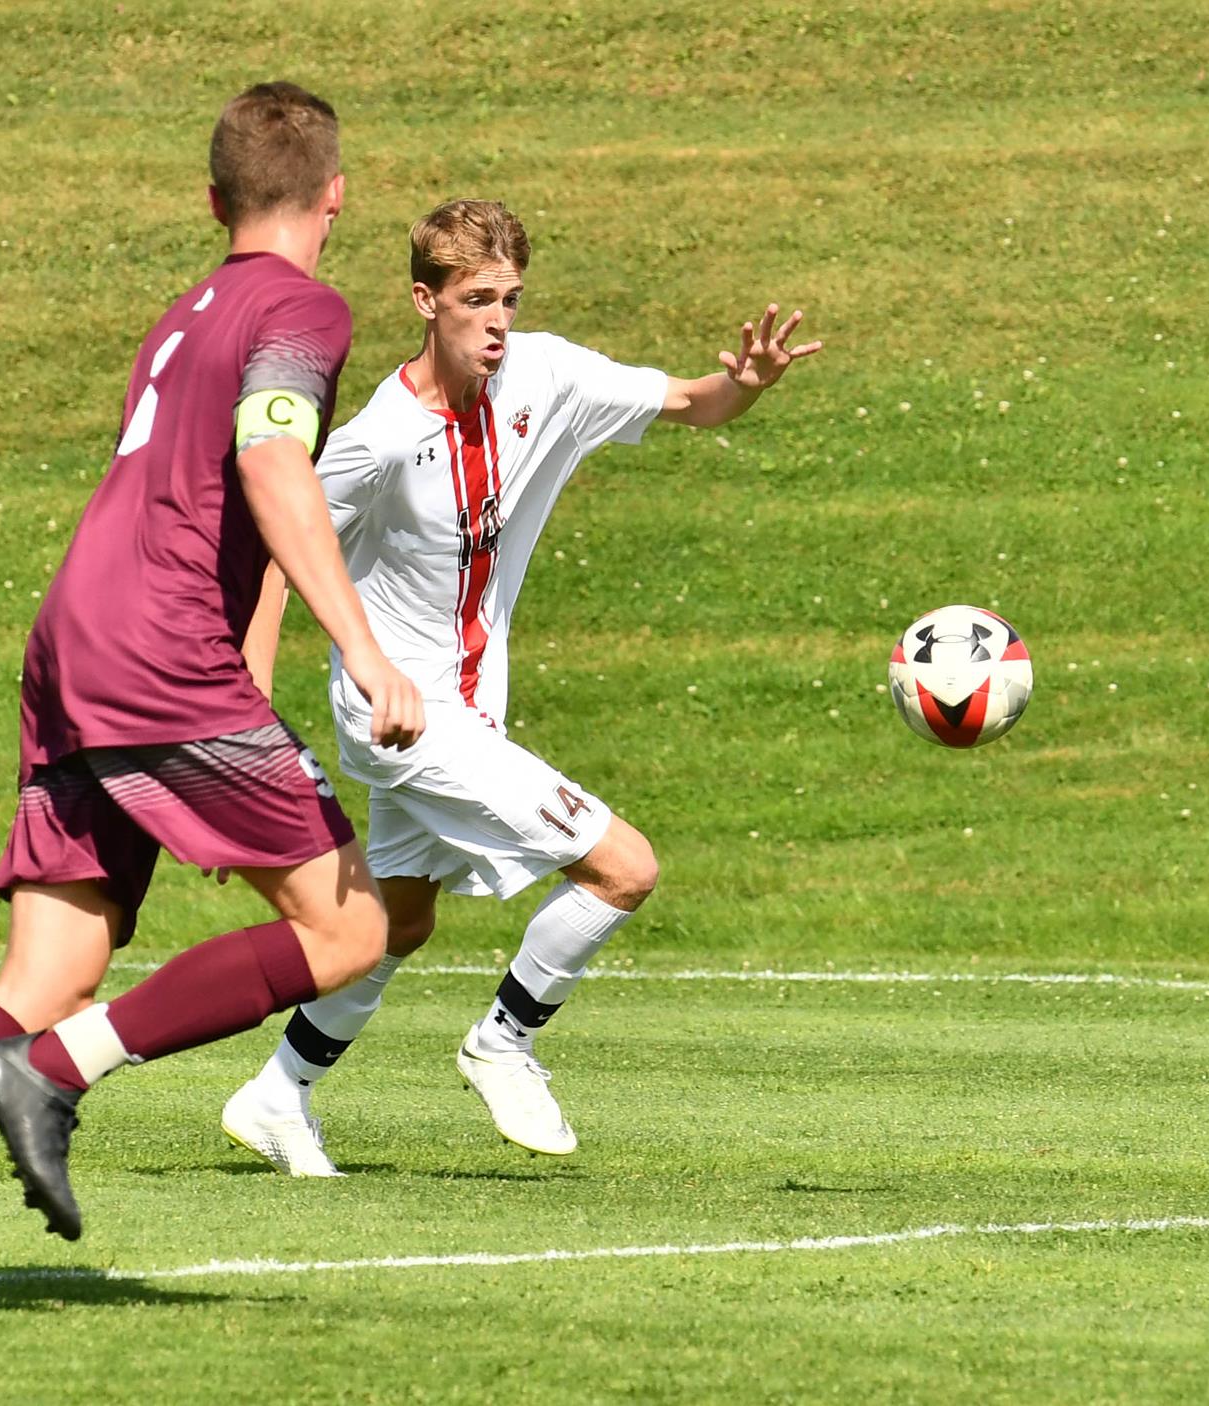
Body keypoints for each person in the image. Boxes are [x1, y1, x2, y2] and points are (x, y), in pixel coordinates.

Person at [0, 81, 425, 1314]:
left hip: (74, 636)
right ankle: (57, 1073)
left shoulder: (188, 310)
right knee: (349, 930)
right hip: (158, 647)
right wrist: (363, 648)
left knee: (48, 969)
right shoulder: (304, 307)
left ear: (213, 199)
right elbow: (272, 460)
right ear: (335, 193)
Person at [218, 198, 818, 1175]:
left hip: (469, 708)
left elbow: (692, 403)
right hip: (397, 714)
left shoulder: (547, 374)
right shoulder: (379, 436)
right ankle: (502, 1039)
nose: (497, 320)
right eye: (474, 299)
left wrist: (740, 383)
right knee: (624, 866)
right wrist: (249, 674)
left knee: (395, 921)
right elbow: (284, 537)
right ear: (425, 300)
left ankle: (276, 1092)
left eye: (509, 297)